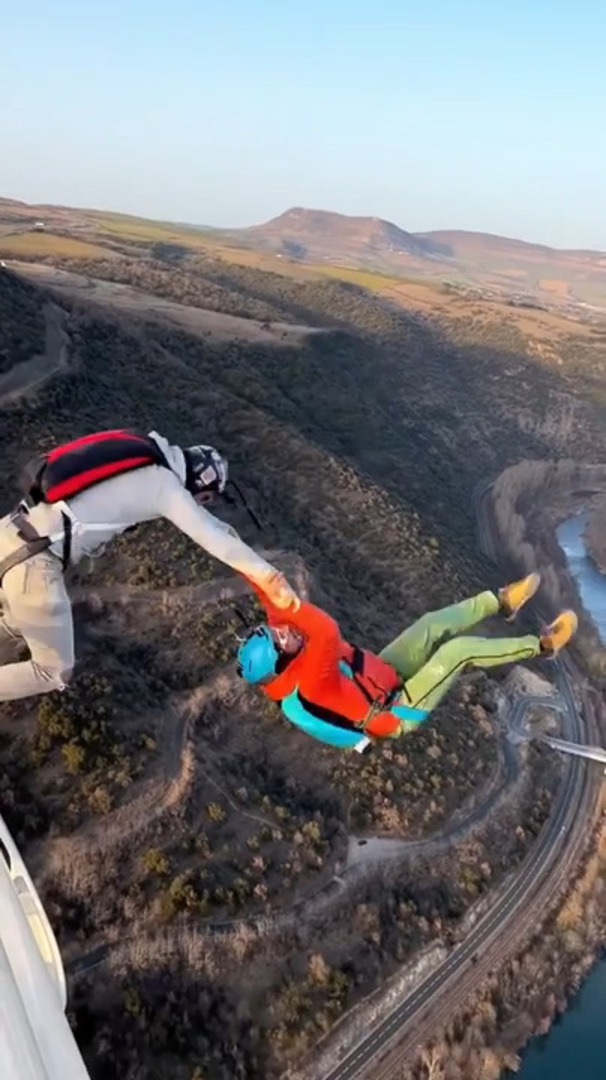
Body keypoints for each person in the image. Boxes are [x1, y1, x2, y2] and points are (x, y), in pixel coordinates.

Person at [0, 428, 298, 702]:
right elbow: (212, 536)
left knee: (14, 623)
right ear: (200, 485)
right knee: (52, 671)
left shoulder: (142, 449)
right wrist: (272, 579)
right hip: (33, 564)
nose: (199, 505)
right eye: (204, 499)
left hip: (9, 532)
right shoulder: (165, 486)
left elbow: (216, 528)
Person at [235, 571, 577, 752]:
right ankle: (544, 645)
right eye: (281, 639)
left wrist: (247, 565)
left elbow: (271, 602)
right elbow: (325, 630)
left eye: (276, 631)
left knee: (430, 625)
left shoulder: (287, 649)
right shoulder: (309, 683)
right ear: (283, 662)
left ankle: (499, 602)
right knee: (458, 652)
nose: (285, 632)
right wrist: (292, 605)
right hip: (394, 709)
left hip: (380, 673)